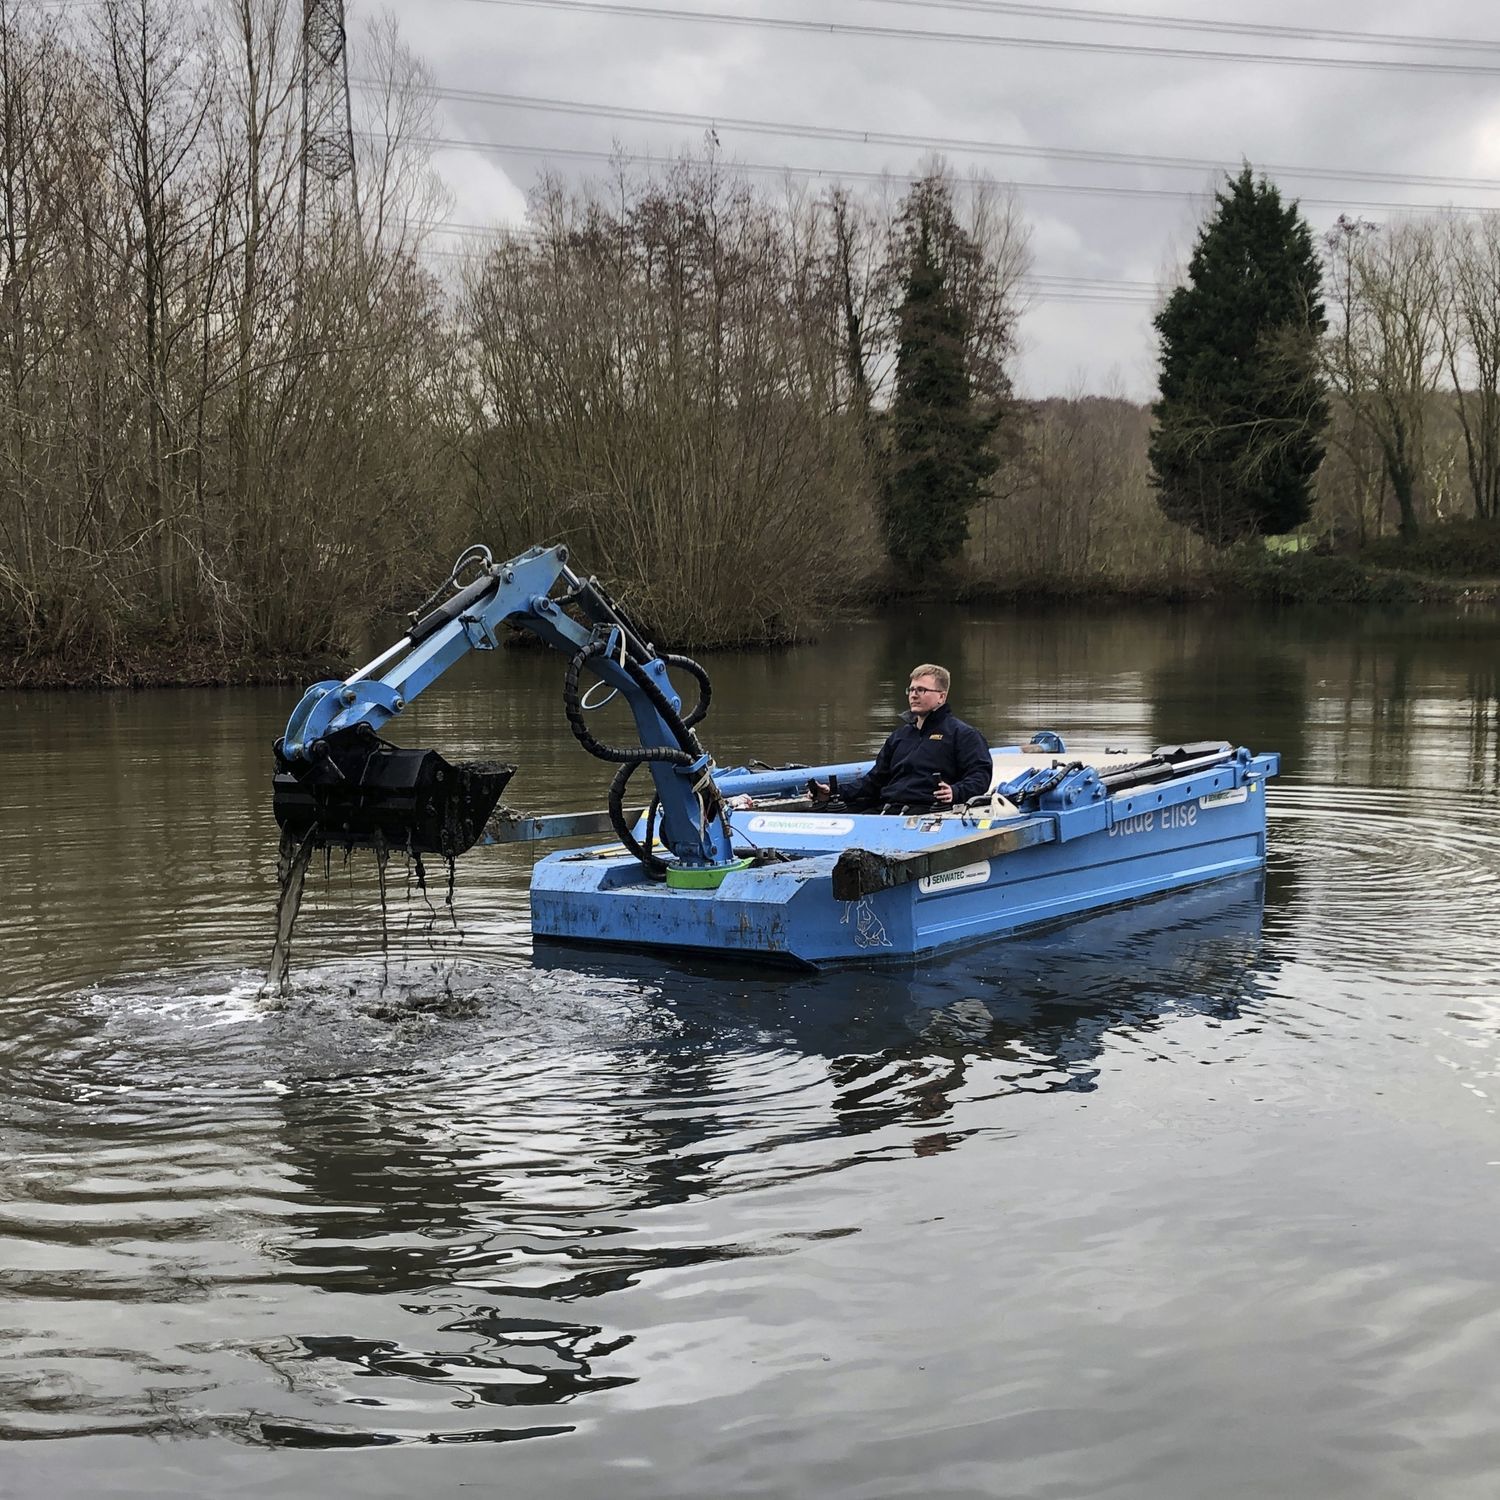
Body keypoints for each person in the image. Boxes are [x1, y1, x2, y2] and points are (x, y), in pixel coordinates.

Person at [812, 663, 992, 813]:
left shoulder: (963, 734)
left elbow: (980, 776)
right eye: (911, 689)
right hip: (888, 810)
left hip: (930, 812)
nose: (913, 695)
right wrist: (834, 791)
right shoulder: (899, 736)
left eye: (921, 690)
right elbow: (874, 781)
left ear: (941, 697)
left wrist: (955, 791)